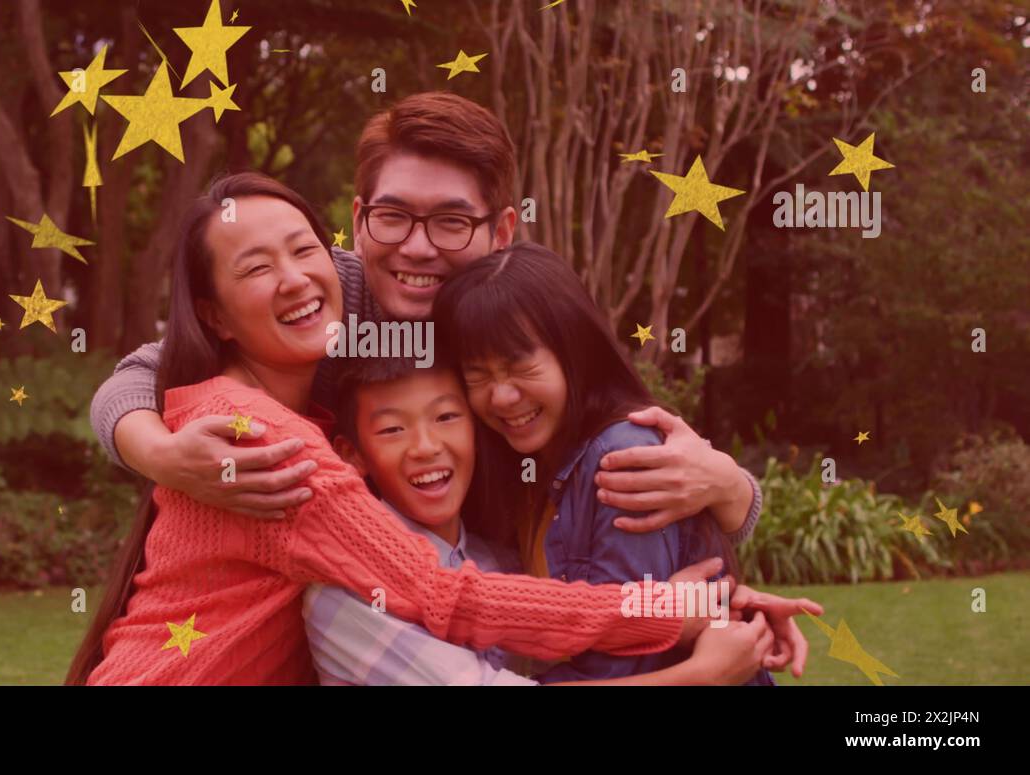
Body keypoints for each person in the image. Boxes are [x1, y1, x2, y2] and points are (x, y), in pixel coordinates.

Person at [67, 173, 739, 686]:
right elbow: (446, 594)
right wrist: (666, 611)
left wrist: (730, 532)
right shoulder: (266, 441)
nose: (295, 278)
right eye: (256, 267)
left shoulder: (281, 403)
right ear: (215, 317)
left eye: (303, 249)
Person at [89, 92, 762, 542]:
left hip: (506, 584)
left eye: (449, 221)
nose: (417, 246)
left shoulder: (523, 314)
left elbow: (624, 437)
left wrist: (731, 488)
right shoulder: (327, 298)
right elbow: (138, 375)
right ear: (358, 218)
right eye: (393, 215)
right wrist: (165, 455)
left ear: (501, 230)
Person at [431, 242, 822, 684]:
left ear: (572, 350)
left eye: (520, 366)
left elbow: (625, 654)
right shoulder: (522, 468)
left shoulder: (621, 456)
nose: (501, 396)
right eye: (477, 375)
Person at [304, 356, 805, 685]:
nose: (427, 446)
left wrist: (726, 605)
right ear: (352, 455)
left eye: (447, 417)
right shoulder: (346, 593)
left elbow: (582, 632)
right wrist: (704, 674)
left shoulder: (497, 561)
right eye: (392, 428)